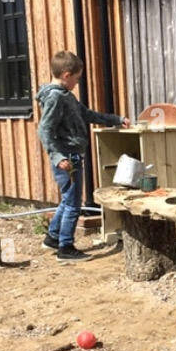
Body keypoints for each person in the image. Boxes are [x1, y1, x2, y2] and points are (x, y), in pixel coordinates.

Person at [36, 51, 129, 262]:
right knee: (73, 204)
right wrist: (58, 157)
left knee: (67, 199)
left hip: (71, 155)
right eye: (77, 78)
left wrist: (115, 119)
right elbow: (44, 130)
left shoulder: (66, 96)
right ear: (67, 75)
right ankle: (65, 248)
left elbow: (87, 114)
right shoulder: (55, 97)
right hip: (67, 158)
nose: (78, 83)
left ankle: (52, 237)